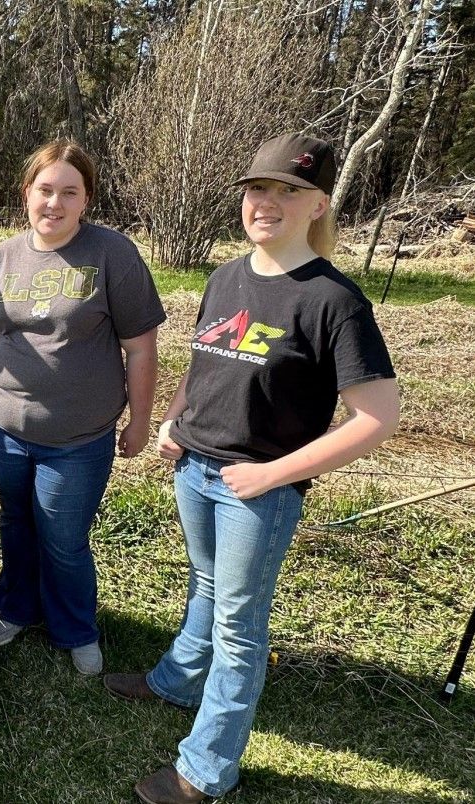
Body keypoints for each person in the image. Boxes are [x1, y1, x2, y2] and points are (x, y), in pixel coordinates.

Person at [103, 133, 399, 804]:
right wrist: (175, 422)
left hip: (254, 493)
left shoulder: (334, 302)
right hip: (195, 471)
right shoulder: (226, 277)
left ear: (318, 204)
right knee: (206, 587)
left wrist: (273, 476)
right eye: (257, 189)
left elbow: (378, 416)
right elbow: (207, 362)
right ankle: (175, 683)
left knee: (240, 626)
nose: (266, 202)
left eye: (287, 191)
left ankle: (206, 771)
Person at [0, 139, 165, 676]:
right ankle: (15, 607)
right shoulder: (4, 256)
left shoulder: (110, 255)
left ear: (86, 200)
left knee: (64, 540)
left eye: (68, 193)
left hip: (79, 439)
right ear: (27, 192)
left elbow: (140, 346)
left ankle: (75, 627)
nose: (54, 203)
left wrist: (140, 421)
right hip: (6, 431)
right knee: (15, 525)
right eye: (45, 189)